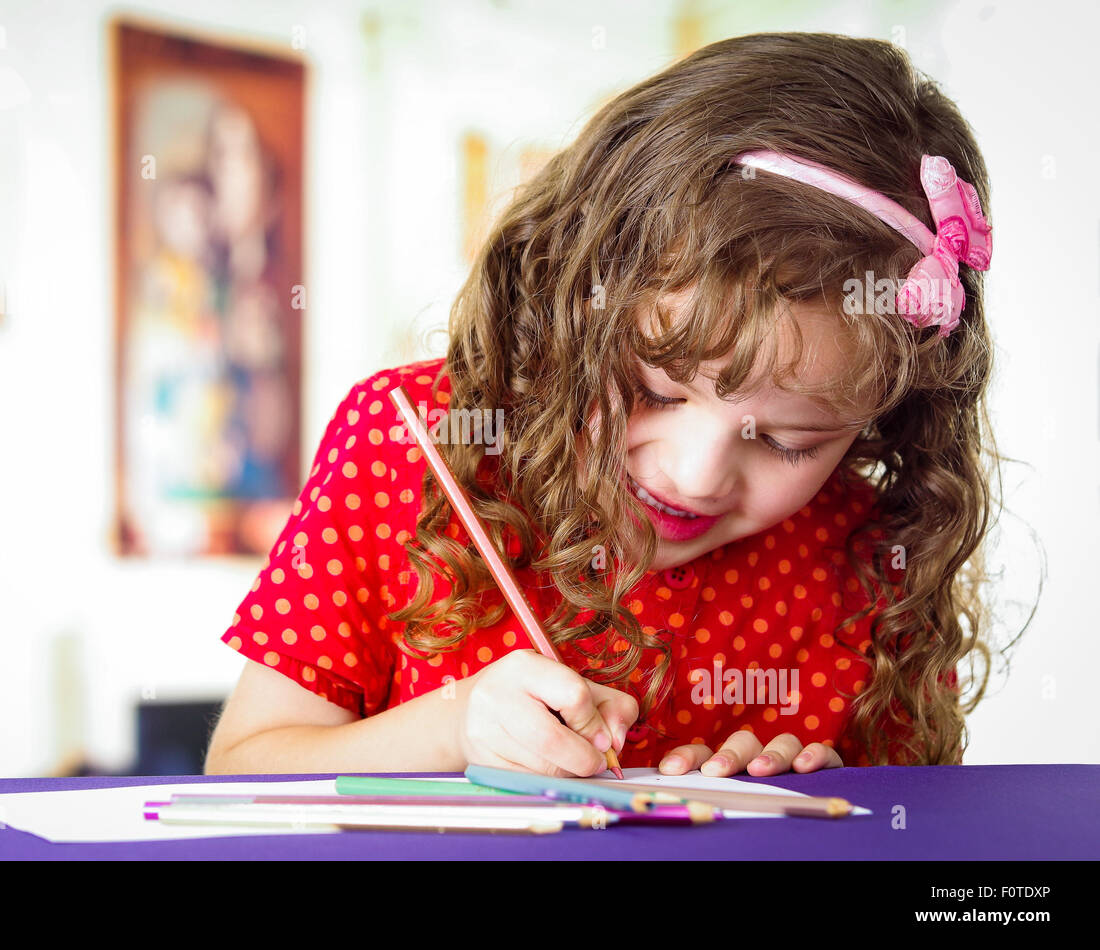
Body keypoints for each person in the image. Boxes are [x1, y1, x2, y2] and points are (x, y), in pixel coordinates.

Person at [205, 32, 1011, 778]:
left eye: (790, 441)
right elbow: (240, 769)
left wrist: (836, 816)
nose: (694, 476)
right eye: (655, 389)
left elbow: (914, 832)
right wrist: (454, 730)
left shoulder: (872, 555)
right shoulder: (411, 441)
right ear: (574, 298)